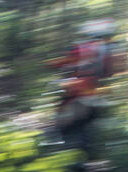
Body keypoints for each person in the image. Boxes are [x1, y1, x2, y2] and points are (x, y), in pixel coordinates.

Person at [42, 19, 122, 152]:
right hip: (99, 93)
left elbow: (66, 62)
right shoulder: (114, 49)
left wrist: (51, 64)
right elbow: (118, 69)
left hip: (78, 92)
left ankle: (54, 139)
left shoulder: (82, 47)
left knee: (61, 112)